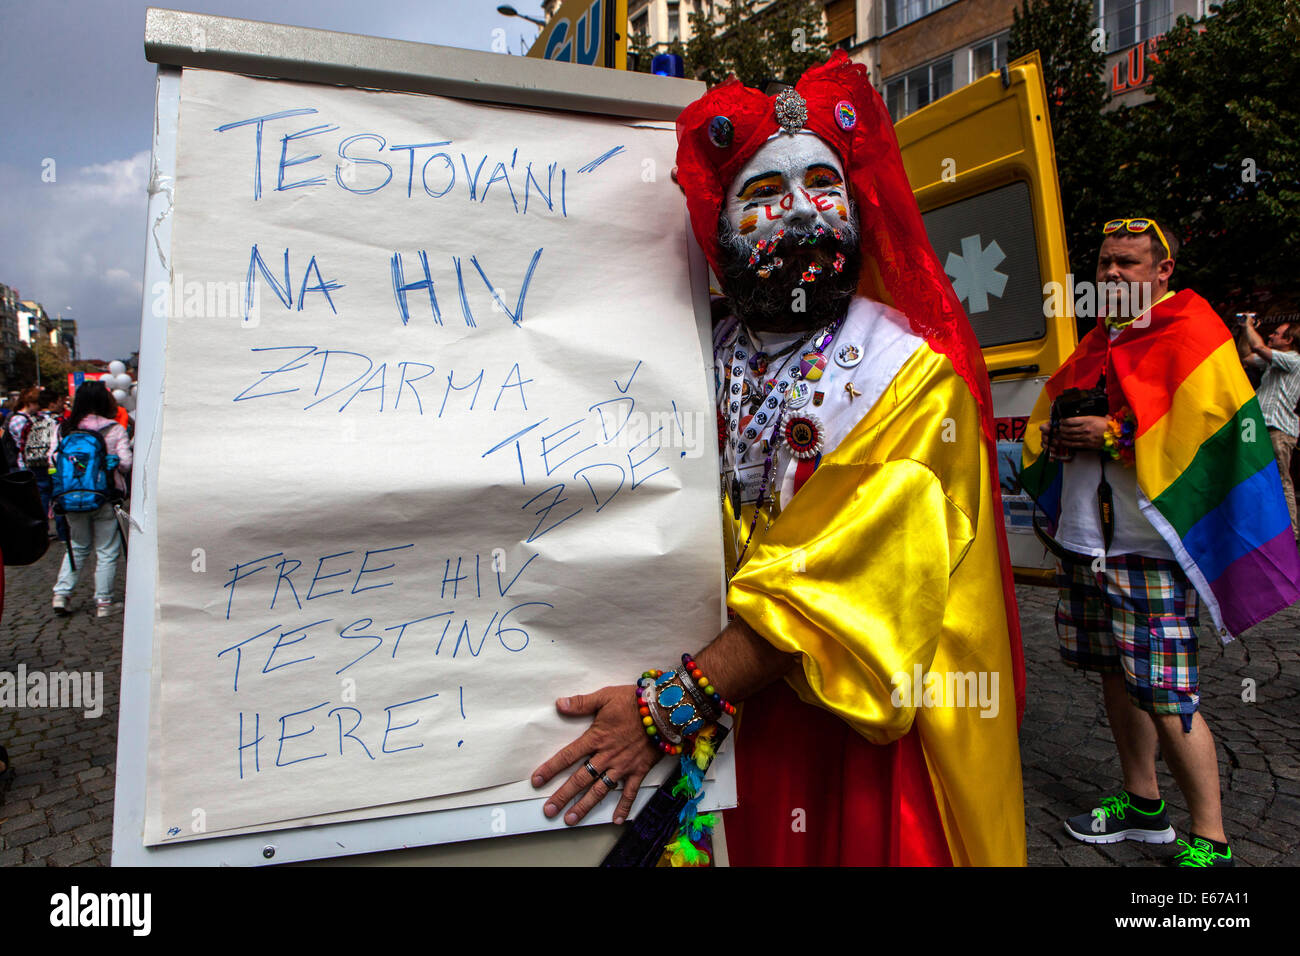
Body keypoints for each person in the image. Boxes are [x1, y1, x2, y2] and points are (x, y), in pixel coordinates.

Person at [531, 51, 1027, 866]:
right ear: (719, 228)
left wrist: (668, 711)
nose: (803, 212)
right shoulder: (693, 354)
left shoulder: (905, 377)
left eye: (824, 187)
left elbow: (837, 584)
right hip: (718, 712)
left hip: (847, 740)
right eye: (765, 194)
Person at [1021, 217, 1300, 868]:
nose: (1112, 273)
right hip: (1090, 541)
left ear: (1162, 271)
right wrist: (1060, 437)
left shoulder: (1192, 332)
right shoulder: (1101, 338)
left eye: (1127, 263)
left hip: (1149, 545)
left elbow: (1210, 435)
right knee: (1116, 677)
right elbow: (1060, 412)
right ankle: (1143, 805)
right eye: (1105, 263)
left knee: (1169, 690)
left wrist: (1115, 437)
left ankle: (1213, 839)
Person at [50, 381, 132, 618]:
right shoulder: (114, 429)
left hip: (71, 498)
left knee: (77, 546)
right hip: (103, 497)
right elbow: (126, 463)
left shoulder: (64, 429)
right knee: (107, 549)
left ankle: (61, 594)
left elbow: (52, 461)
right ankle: (104, 602)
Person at [1243, 316, 1300, 542]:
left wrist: (1248, 326)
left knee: (1280, 479)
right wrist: (1243, 331)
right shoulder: (1274, 362)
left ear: (1289, 340)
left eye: (1276, 334)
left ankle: (1291, 533)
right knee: (1256, 477)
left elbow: (1258, 346)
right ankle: (1267, 528)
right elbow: (1247, 356)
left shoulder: (1294, 359)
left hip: (1278, 428)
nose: (1271, 335)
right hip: (1259, 427)